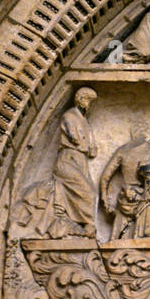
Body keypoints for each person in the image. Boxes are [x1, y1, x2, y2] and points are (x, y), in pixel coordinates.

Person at [37, 87, 98, 238]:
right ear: (80, 99)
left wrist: (89, 143)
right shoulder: (69, 116)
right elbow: (75, 138)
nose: (89, 104)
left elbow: (92, 150)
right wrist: (86, 143)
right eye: (87, 100)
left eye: (90, 101)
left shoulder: (84, 121)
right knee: (88, 192)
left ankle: (83, 226)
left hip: (81, 161)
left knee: (92, 191)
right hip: (67, 159)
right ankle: (87, 225)